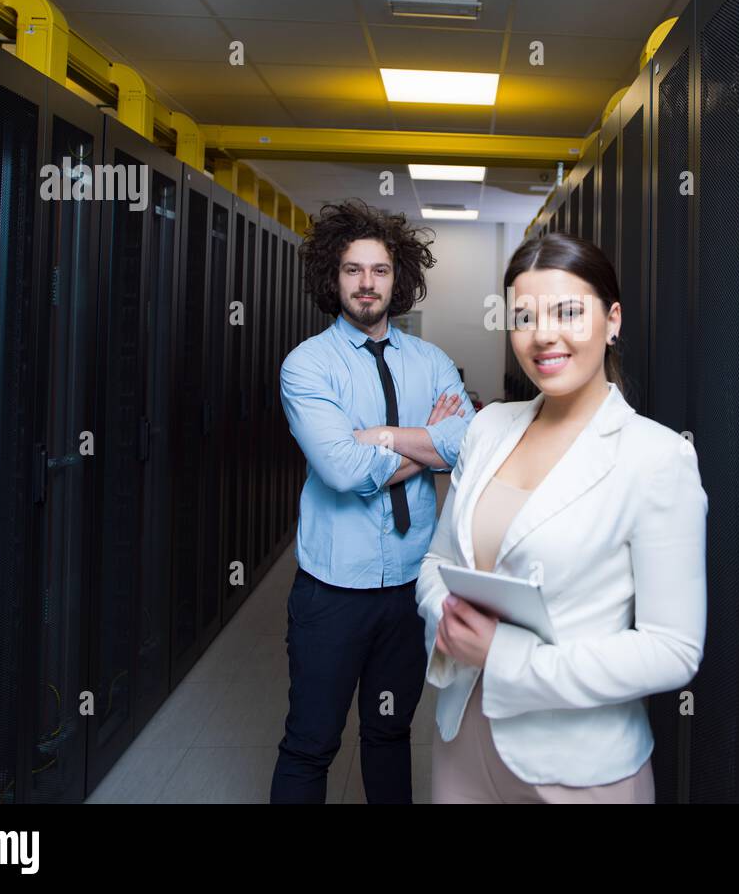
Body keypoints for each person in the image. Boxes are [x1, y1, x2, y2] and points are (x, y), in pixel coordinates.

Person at [416, 231, 708, 803]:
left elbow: (673, 649)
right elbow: (437, 560)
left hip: (578, 767)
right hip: (462, 738)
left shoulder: (655, 457)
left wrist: (504, 654)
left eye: (568, 312)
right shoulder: (489, 426)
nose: (543, 334)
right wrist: (447, 617)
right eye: (523, 316)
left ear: (613, 319)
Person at [270, 198, 476, 804]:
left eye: (379, 270)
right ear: (332, 279)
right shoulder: (307, 366)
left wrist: (379, 440)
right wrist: (428, 445)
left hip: (412, 586)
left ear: (399, 277)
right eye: (353, 270)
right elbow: (339, 469)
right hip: (332, 591)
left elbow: (469, 445)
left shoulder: (431, 361)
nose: (367, 283)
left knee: (390, 733)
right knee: (311, 742)